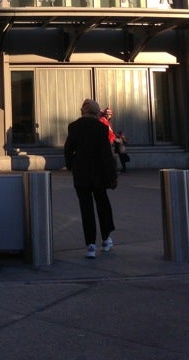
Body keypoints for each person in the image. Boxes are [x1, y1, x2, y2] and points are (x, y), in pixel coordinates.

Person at [64, 98, 117, 258]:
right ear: (96, 112)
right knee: (103, 204)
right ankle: (106, 238)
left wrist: (71, 166)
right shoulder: (101, 128)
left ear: (83, 111)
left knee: (85, 208)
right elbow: (107, 155)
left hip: (81, 174)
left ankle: (90, 245)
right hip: (99, 174)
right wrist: (112, 175)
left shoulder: (74, 126)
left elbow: (68, 149)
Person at [100, 106, 130, 173]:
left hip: (111, 140)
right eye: (110, 115)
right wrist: (114, 137)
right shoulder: (103, 121)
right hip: (109, 140)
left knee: (116, 153)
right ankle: (113, 169)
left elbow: (110, 132)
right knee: (112, 156)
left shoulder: (106, 121)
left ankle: (118, 167)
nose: (110, 116)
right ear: (106, 115)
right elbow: (109, 132)